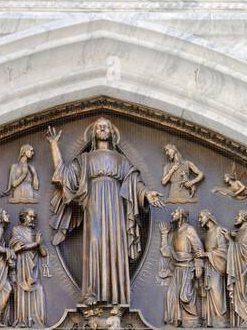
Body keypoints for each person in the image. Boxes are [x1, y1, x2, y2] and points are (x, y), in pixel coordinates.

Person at [47, 117, 163, 311]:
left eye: (105, 127)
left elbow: (134, 183)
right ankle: (92, 294)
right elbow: (64, 175)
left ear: (111, 132)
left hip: (116, 209)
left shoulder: (121, 160)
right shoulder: (85, 160)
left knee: (114, 246)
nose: (102, 129)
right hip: (93, 208)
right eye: (99, 127)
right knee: (94, 243)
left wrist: (147, 194)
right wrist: (53, 145)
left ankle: (116, 296)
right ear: (94, 132)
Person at [9, 208, 48, 327]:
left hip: (34, 268)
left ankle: (35, 320)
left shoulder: (35, 233)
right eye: (30, 216)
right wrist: (35, 244)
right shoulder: (17, 230)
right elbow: (20, 247)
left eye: (34, 217)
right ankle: (22, 321)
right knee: (22, 290)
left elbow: (43, 253)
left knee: (38, 290)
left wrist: (39, 244)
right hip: (22, 265)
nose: (33, 219)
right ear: (23, 217)